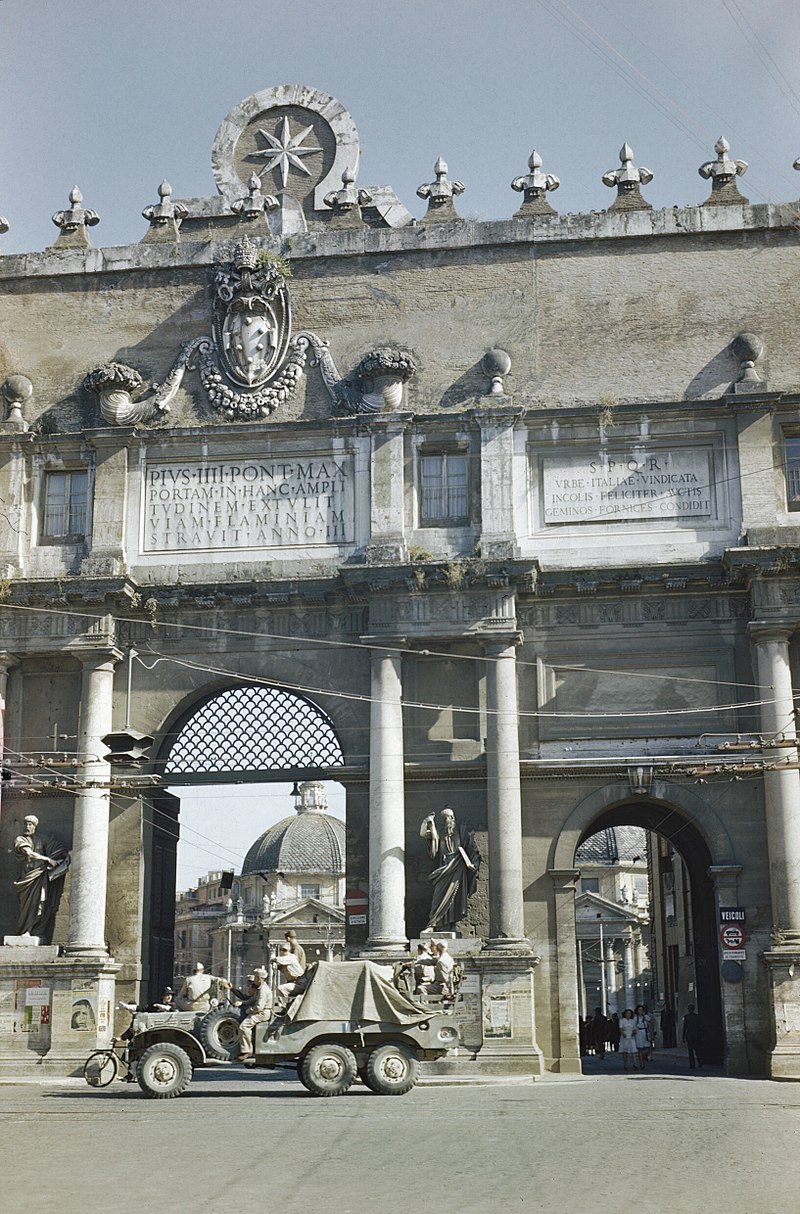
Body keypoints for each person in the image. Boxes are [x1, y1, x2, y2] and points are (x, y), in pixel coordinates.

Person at [420, 807, 480, 933]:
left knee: (454, 899)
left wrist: (473, 863)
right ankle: (432, 924)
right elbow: (424, 834)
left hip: (458, 867)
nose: (451, 819)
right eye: (448, 817)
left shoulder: (461, 832)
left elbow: (471, 849)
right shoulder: (439, 833)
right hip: (444, 868)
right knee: (438, 896)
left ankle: (450, 926)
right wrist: (428, 822)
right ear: (443, 820)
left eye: (452, 817)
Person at [13, 814, 70, 943]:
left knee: (39, 903)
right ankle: (24, 930)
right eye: (26, 824)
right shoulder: (20, 839)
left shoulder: (41, 839)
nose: (27, 827)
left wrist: (63, 855)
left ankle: (34, 930)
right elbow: (29, 853)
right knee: (26, 905)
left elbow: (56, 847)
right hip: (27, 878)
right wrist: (47, 859)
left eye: (30, 825)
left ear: (35, 827)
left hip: (40, 876)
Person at [236, 967, 272, 1060]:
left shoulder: (263, 990)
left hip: (262, 1013)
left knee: (244, 1027)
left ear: (260, 978)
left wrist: (249, 1010)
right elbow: (253, 999)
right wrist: (243, 1003)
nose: (254, 979)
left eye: (256, 977)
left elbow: (259, 1007)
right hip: (260, 1011)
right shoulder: (260, 988)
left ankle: (247, 1051)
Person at [272, 943, 308, 1012]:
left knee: (281, 988)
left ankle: (284, 1007)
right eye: (280, 950)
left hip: (300, 983)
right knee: (276, 991)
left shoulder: (291, 957)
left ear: (289, 951)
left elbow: (277, 959)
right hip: (293, 983)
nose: (282, 952)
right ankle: (284, 1006)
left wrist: (273, 960)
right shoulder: (284, 960)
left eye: (284, 950)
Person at [682, 1003, 702, 1069]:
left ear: (688, 1009)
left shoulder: (686, 1017)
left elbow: (685, 1028)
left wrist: (683, 1037)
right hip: (696, 1035)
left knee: (690, 1051)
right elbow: (700, 1027)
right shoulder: (697, 1017)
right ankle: (699, 1061)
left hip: (689, 1036)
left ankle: (692, 1065)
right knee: (697, 1050)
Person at [633, 1004, 652, 1070]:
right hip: (639, 1033)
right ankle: (642, 1063)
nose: (640, 1011)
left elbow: (649, 1024)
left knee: (646, 1049)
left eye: (642, 1010)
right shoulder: (636, 1018)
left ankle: (644, 1058)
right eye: (639, 1010)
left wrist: (645, 1018)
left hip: (645, 1032)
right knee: (640, 1049)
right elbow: (634, 1026)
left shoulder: (646, 1016)